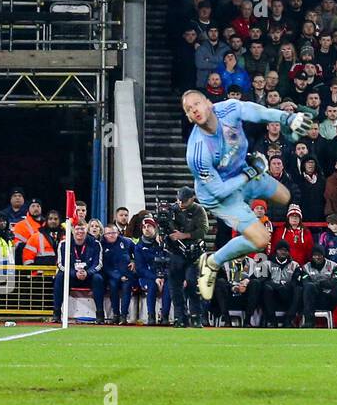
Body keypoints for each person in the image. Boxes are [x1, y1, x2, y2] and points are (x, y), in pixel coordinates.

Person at [181, 89, 314, 304]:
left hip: (245, 172)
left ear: (208, 102)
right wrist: (251, 172)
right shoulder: (197, 152)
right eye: (189, 109)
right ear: (188, 117)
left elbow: (256, 112)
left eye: (197, 103)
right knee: (261, 239)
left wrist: (286, 118)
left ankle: (248, 215)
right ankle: (213, 261)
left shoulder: (228, 108)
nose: (194, 109)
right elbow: (219, 191)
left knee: (285, 195)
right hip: (222, 197)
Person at [160, 186, 209, 328]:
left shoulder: (199, 210)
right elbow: (162, 225)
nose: (181, 203)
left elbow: (203, 230)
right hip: (175, 253)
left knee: (192, 283)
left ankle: (196, 316)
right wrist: (163, 234)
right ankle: (179, 317)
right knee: (175, 287)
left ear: (192, 198)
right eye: (179, 200)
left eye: (184, 201)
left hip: (193, 253)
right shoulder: (172, 209)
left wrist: (184, 235)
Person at [53, 220, 104, 324]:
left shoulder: (95, 243)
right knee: (59, 277)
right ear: (72, 230)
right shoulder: (64, 244)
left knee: (98, 278)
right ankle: (56, 313)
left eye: (82, 228)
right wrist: (73, 273)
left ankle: (100, 314)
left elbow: (98, 264)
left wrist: (88, 273)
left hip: (89, 277)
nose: (80, 231)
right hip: (71, 276)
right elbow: (60, 264)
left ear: (87, 229)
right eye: (77, 229)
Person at [298, 246, 337, 328]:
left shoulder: (334, 266)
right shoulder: (306, 268)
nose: (317, 257)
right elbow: (305, 282)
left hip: (329, 298)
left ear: (323, 256)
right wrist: (324, 283)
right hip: (313, 299)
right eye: (315, 255)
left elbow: (336, 281)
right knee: (309, 287)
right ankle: (309, 322)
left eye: (319, 255)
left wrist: (319, 284)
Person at [132, 216, 170, 325]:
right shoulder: (139, 246)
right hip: (148, 276)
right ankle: (151, 316)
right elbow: (140, 268)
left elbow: (170, 261)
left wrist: (164, 277)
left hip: (166, 275)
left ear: (155, 228)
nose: (146, 229)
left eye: (149, 226)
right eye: (144, 227)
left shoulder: (164, 243)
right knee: (152, 286)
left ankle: (165, 316)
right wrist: (155, 278)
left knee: (168, 287)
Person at [100, 223, 136, 325]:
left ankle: (124, 315)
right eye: (108, 233)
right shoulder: (102, 245)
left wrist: (134, 261)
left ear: (118, 233)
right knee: (113, 285)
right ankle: (116, 314)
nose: (111, 235)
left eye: (113, 233)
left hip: (127, 274)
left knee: (127, 287)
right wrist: (119, 277)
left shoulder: (126, 242)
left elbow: (137, 252)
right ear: (104, 234)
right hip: (111, 275)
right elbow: (104, 266)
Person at [263, 240, 301, 327]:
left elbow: (296, 281)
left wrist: (286, 287)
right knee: (266, 288)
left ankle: (288, 320)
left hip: (287, 296)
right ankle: (272, 321)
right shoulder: (267, 263)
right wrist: (278, 286)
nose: (283, 252)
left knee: (299, 289)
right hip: (273, 295)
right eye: (281, 250)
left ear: (288, 252)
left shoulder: (295, 265)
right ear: (276, 251)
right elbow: (264, 280)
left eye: (285, 250)